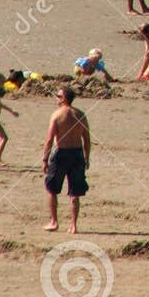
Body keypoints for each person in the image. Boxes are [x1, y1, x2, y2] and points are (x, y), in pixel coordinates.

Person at [42, 85, 91, 233]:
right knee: (75, 192)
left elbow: (49, 140)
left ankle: (54, 221)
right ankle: (74, 225)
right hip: (77, 154)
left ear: (64, 99)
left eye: (58, 96)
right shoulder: (81, 115)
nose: (56, 98)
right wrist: (86, 157)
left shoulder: (56, 115)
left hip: (61, 153)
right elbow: (87, 139)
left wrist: (45, 159)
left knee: (51, 189)